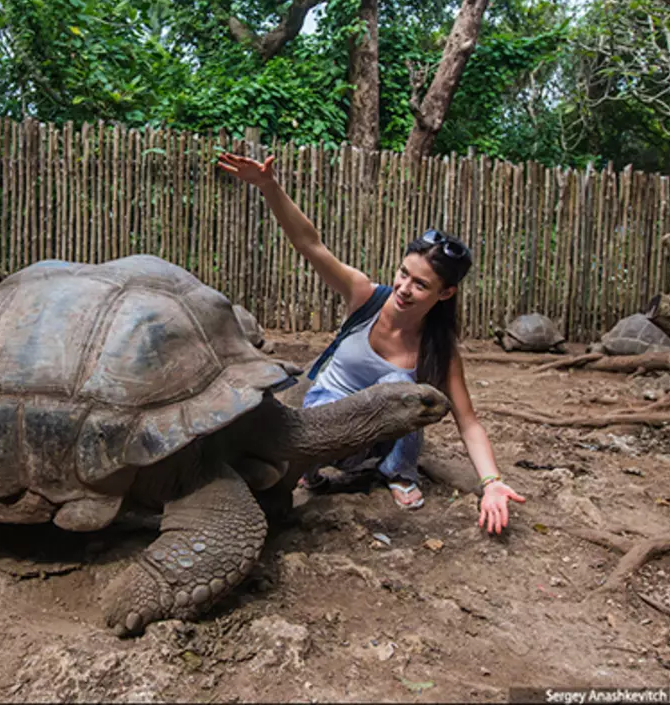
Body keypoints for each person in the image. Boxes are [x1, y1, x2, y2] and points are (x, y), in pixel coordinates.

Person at [215, 152, 525, 534]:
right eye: (403, 273)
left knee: (408, 394)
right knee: (330, 411)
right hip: (325, 421)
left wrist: (491, 483)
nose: (404, 289)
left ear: (445, 294)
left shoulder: (439, 348)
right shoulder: (365, 296)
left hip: (382, 437)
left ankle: (398, 471)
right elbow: (310, 244)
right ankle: (308, 466)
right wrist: (269, 186)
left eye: (421, 284)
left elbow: (469, 422)